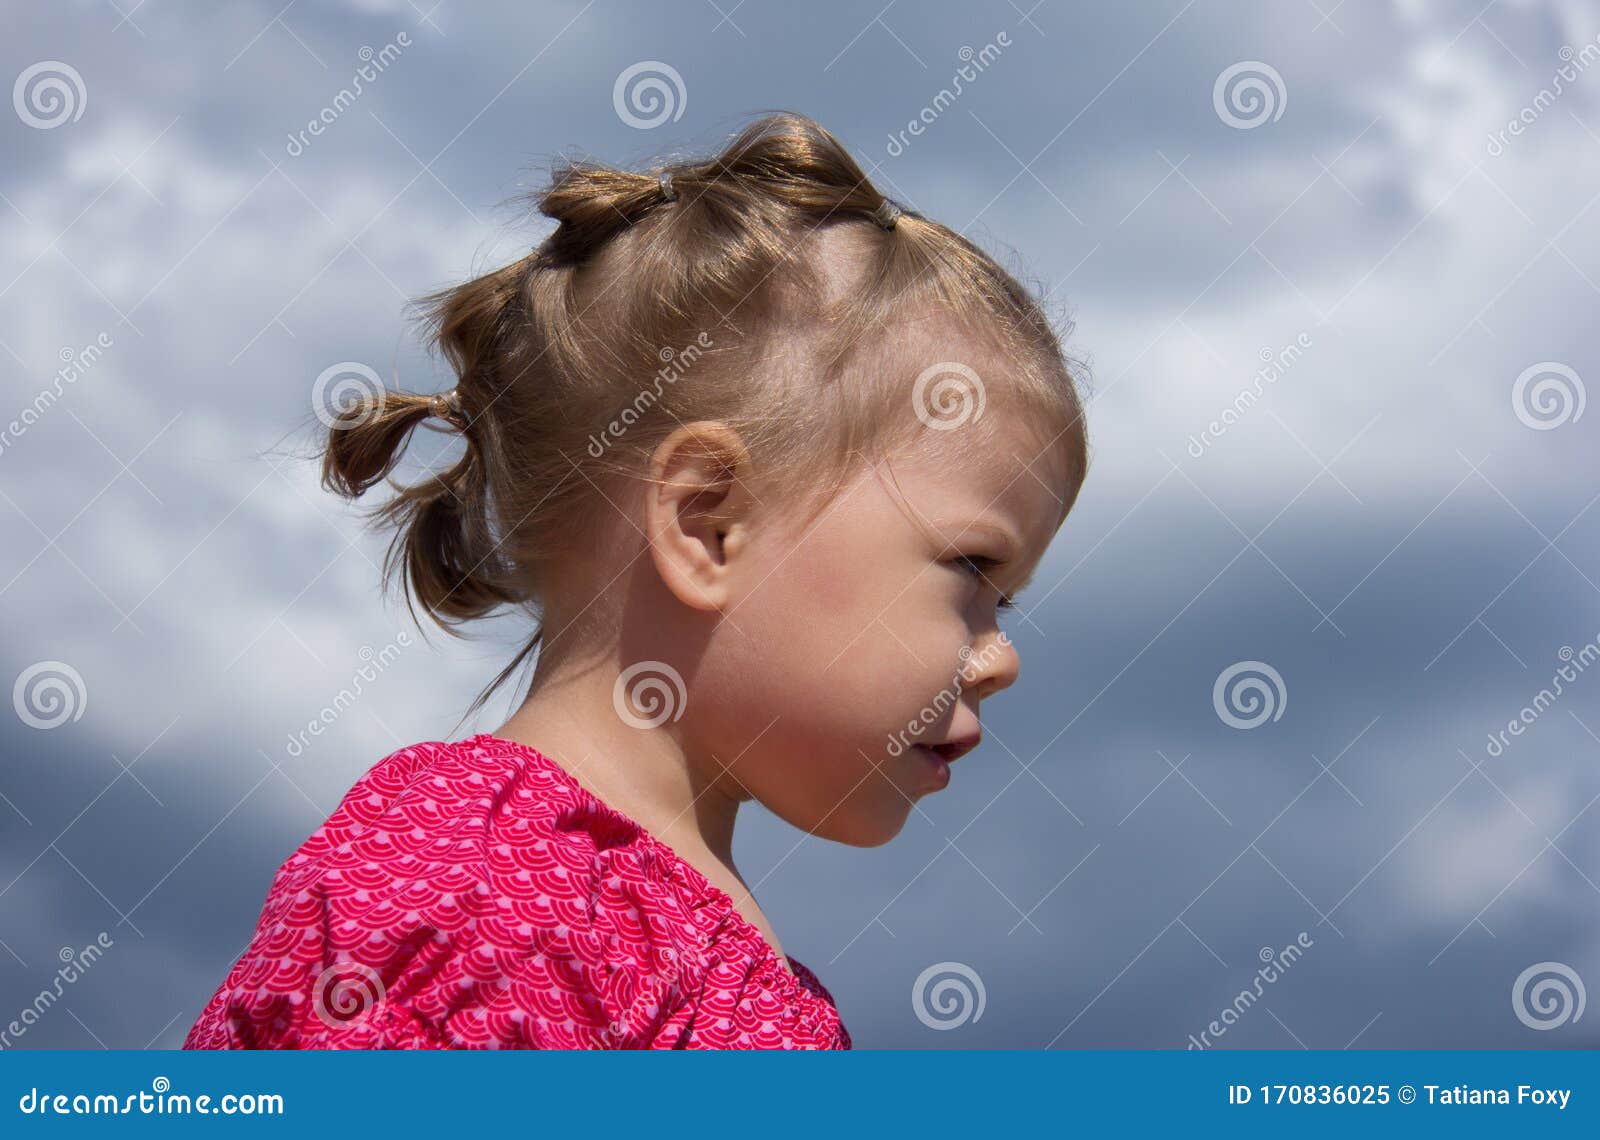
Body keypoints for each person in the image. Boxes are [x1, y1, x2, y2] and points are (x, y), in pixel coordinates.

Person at [184, 110, 1090, 1049]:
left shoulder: (646, 927)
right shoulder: (481, 900)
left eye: (1006, 597)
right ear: (709, 525)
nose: (1001, 658)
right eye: (973, 569)